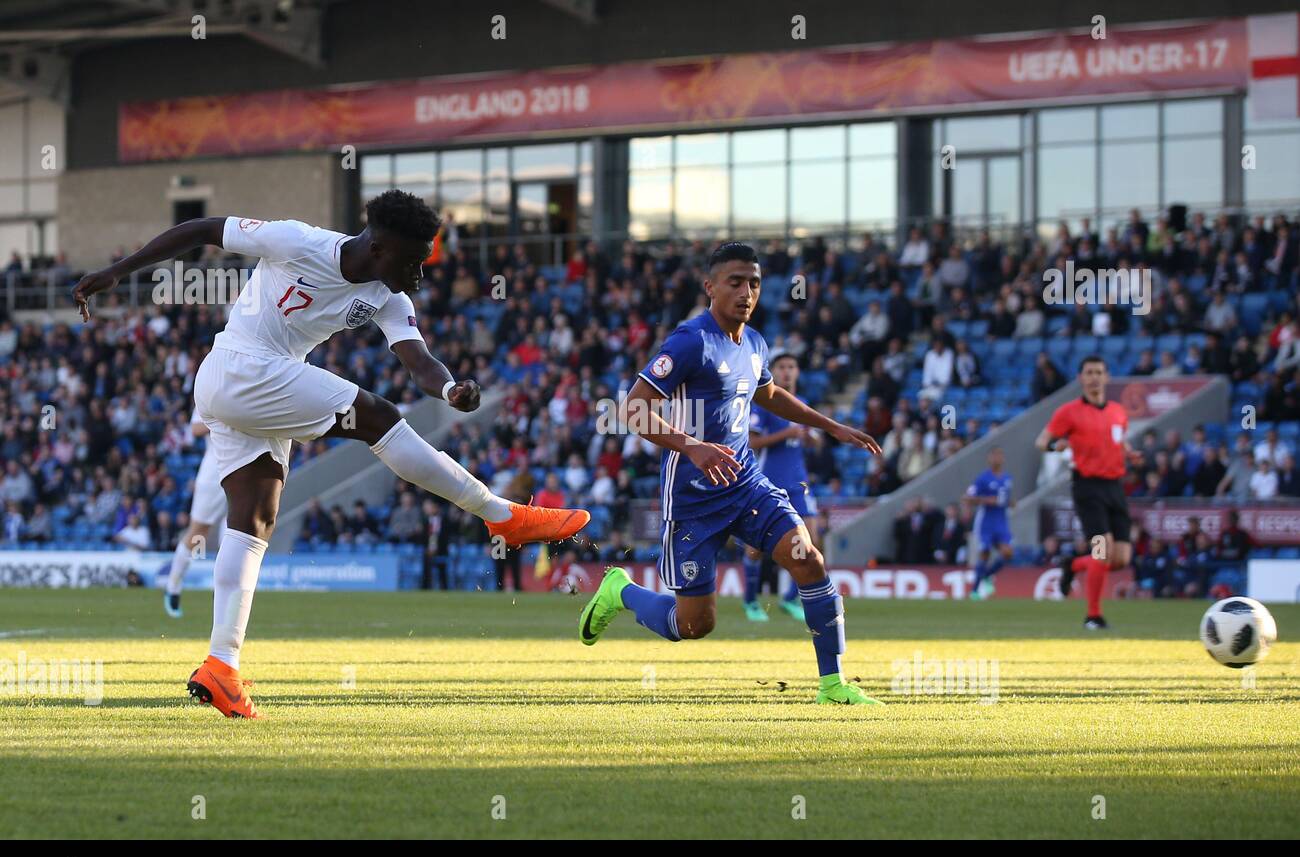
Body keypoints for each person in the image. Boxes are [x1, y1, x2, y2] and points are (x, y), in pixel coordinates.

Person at [72, 190, 589, 719]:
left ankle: (221, 666)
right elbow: (202, 229)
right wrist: (120, 271)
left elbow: (419, 360)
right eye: (415, 261)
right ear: (381, 248)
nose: (421, 274)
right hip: (240, 365)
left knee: (253, 522)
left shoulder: (390, 297)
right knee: (379, 418)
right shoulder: (297, 240)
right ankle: (503, 517)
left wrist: (452, 389)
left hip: (249, 390)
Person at [575, 242, 885, 706]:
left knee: (809, 560)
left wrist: (829, 424)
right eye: (735, 282)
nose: (746, 292)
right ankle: (622, 591)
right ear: (710, 287)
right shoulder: (689, 341)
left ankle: (833, 684)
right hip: (693, 497)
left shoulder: (756, 343)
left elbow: (771, 394)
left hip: (745, 485)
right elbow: (632, 409)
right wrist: (692, 445)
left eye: (754, 282)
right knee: (695, 625)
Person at [1036, 356, 1138, 630]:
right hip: (1087, 486)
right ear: (1081, 378)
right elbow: (1042, 441)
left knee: (1121, 559)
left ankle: (1073, 564)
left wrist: (1130, 453)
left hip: (1115, 486)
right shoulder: (1068, 412)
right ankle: (1093, 616)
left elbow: (1120, 439)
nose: (1094, 377)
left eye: (1099, 372)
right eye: (1089, 372)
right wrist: (1055, 446)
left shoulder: (1118, 411)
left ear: (1107, 377)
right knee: (1103, 551)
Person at [741, 350, 817, 622]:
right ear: (774, 371)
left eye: (792, 367)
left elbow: (811, 439)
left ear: (797, 372)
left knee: (812, 541)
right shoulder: (765, 403)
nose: (787, 371)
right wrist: (787, 433)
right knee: (757, 547)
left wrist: (811, 439)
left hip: (798, 482)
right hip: (769, 480)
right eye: (782, 367)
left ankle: (789, 599)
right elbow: (752, 442)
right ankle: (750, 601)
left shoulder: (803, 403)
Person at [163, 407, 231, 619]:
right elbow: (195, 429)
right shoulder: (211, 386)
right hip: (214, 471)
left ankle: (223, 593)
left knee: (234, 535)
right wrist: (225, 417)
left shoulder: (253, 385)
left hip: (244, 469)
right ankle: (173, 585)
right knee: (198, 533)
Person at [964, 446, 1014, 600]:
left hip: (1001, 521)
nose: (997, 458)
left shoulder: (1007, 478)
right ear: (989, 458)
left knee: (1007, 553)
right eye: (994, 455)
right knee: (984, 554)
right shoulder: (982, 478)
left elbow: (1005, 499)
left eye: (1000, 455)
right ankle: (975, 591)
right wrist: (987, 500)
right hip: (986, 521)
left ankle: (986, 575)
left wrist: (1011, 503)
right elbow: (967, 498)